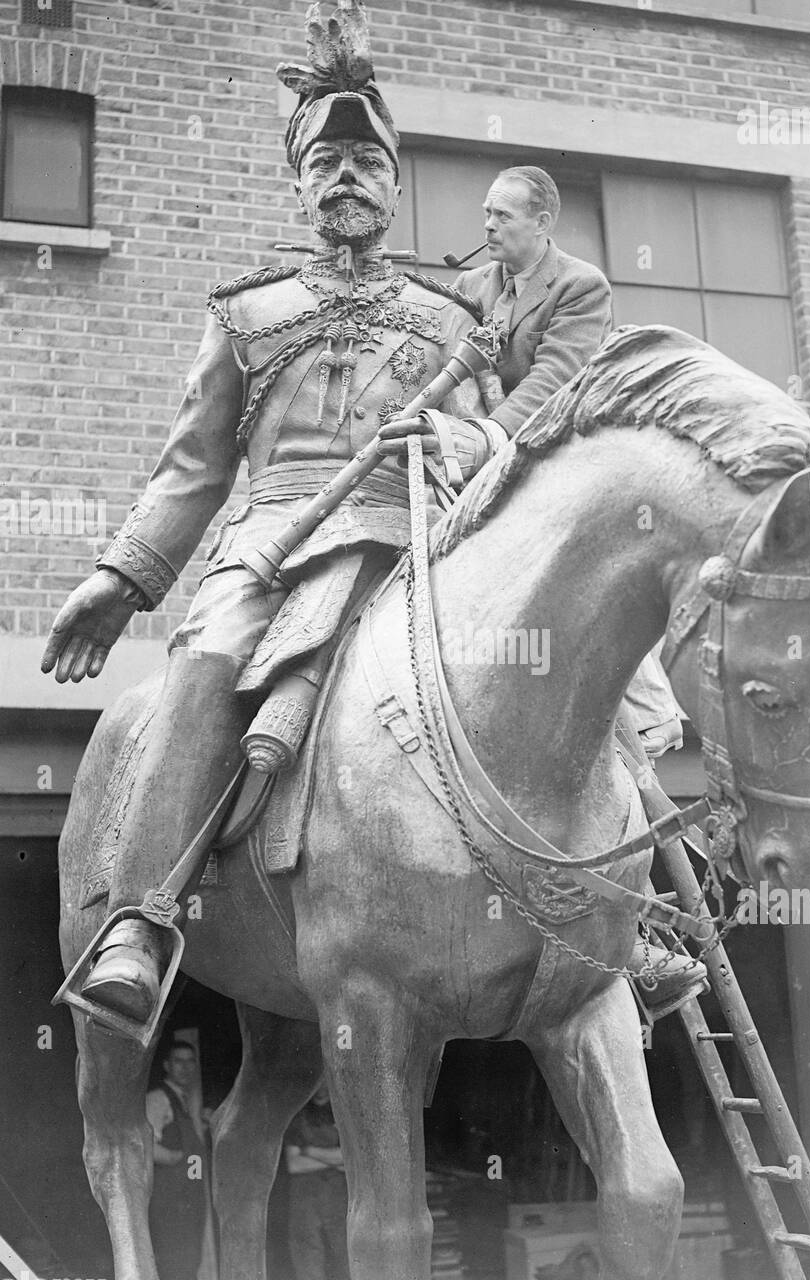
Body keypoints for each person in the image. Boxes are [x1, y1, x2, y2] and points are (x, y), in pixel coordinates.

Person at [41, 2, 505, 1037]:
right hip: (275, 541)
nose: (346, 176)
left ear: (393, 184)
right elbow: (192, 470)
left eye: (365, 160)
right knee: (205, 663)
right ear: (298, 182)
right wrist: (121, 581)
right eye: (324, 160)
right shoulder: (245, 315)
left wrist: (460, 446)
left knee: (549, 649)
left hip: (413, 539)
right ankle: (141, 918)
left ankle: (639, 907)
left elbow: (490, 444)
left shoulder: (448, 322)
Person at [455, 167, 704, 1011]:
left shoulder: (581, 289)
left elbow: (555, 382)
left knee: (607, 702)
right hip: (491, 482)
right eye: (484, 212)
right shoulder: (475, 284)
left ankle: (654, 929)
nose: (486, 223)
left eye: (500, 214)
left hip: (563, 481)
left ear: (543, 222)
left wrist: (480, 431)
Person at [145, 1038, 212, 1280]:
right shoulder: (158, 1098)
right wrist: (174, 1157)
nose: (185, 1067)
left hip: (189, 1199)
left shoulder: (184, 1101)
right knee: (176, 1267)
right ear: (166, 1065)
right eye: (178, 1061)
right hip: (171, 1200)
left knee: (189, 1264)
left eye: (190, 1061)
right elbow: (146, 1146)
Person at [284, 1085, 350, 1280]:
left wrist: (309, 1150)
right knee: (308, 1260)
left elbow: (349, 1160)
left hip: (337, 1197)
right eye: (316, 1083)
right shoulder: (297, 1116)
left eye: (326, 1082)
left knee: (345, 1256)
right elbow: (294, 1164)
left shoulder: (344, 1113)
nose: (321, 1089)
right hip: (304, 1199)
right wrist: (334, 1160)